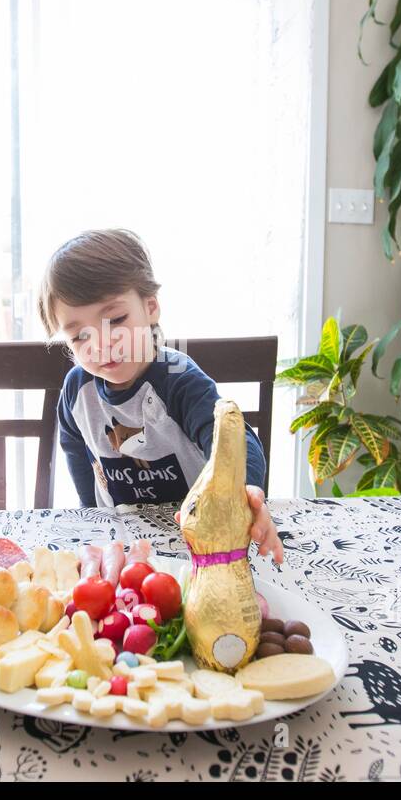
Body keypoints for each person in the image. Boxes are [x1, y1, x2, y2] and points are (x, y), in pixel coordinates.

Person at [37, 228, 283, 562]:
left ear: (151, 307)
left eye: (115, 319)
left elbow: (235, 440)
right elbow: (76, 450)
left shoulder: (178, 379)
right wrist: (91, 516)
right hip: (124, 551)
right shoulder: (76, 390)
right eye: (79, 336)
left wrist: (243, 495)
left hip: (200, 542)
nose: (100, 343)